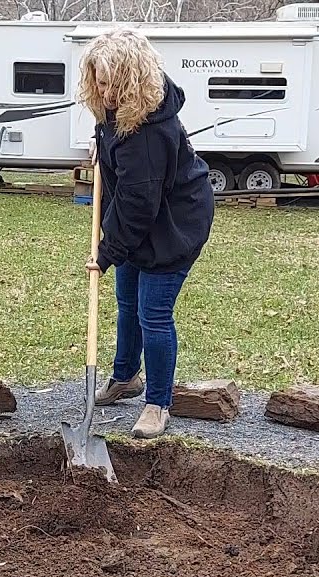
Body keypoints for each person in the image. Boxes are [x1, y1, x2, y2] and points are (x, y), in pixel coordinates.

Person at [78, 29, 214, 439]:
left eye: (111, 84)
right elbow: (128, 190)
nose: (103, 93)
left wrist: (106, 252)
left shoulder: (149, 134)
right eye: (98, 82)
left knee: (153, 313)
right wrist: (100, 147)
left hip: (174, 227)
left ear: (131, 81)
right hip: (146, 218)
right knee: (127, 301)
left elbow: (138, 207)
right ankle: (125, 377)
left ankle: (158, 403)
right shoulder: (117, 115)